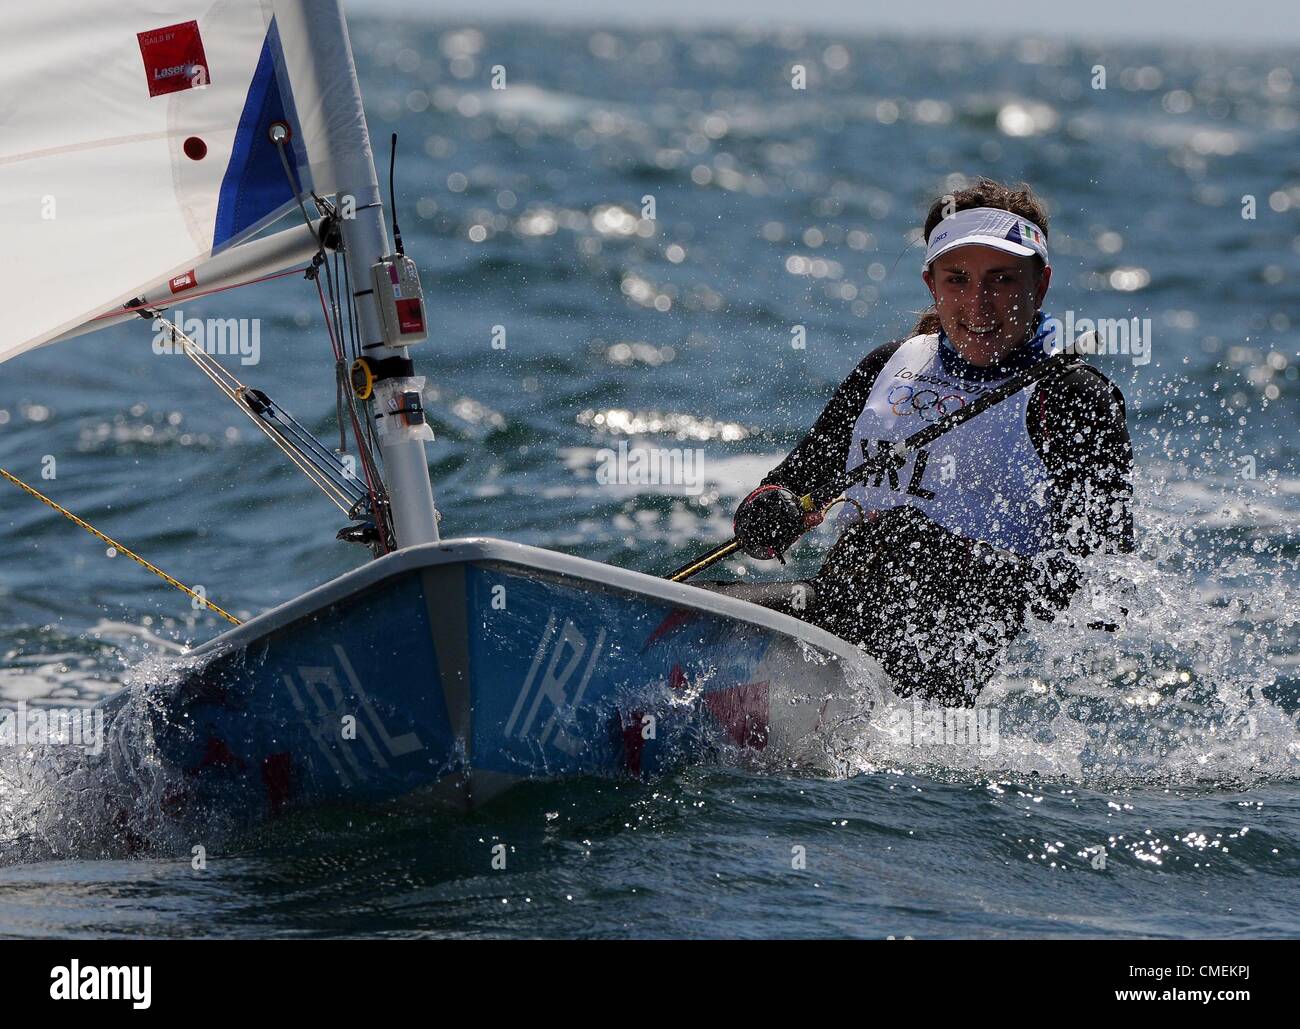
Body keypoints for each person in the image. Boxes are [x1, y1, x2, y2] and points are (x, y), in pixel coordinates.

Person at [727, 179, 1134, 706]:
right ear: (931, 284)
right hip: (834, 623)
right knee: (682, 607)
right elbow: (781, 496)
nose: (979, 304)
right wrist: (769, 514)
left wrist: (943, 553)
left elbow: (1104, 591)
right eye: (958, 279)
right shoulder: (887, 368)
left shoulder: (1072, 398)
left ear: (1042, 284)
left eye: (1003, 281)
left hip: (950, 679)